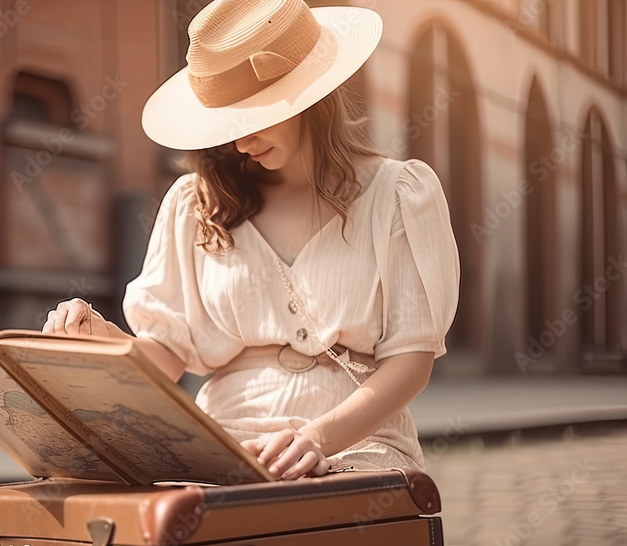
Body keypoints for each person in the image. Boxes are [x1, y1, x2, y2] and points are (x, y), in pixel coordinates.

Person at [42, 0, 461, 481]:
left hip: (357, 441)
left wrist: (315, 438)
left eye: (253, 115)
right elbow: (166, 354)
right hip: (222, 438)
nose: (239, 141)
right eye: (228, 121)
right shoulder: (194, 203)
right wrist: (104, 342)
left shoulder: (399, 193)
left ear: (309, 97)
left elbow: (412, 362)